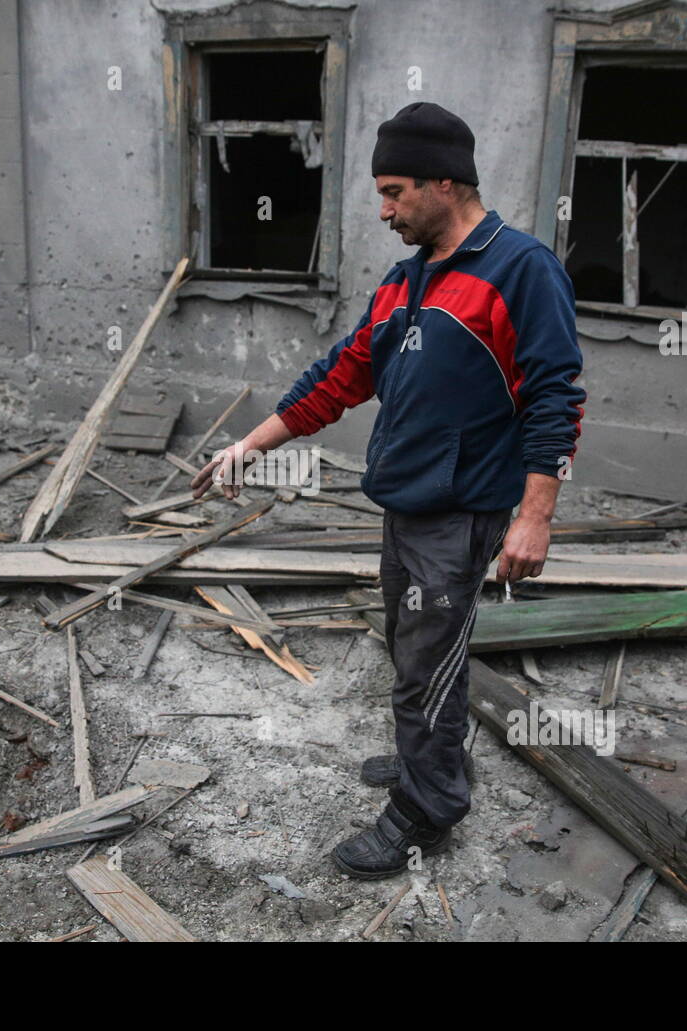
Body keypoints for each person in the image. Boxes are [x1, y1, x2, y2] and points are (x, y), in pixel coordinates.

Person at [191, 102, 586, 879]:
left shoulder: (520, 269)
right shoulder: (406, 282)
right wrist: (249, 445)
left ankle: (425, 811)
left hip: (460, 512)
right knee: (419, 652)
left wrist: (536, 515)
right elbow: (340, 376)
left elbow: (556, 396)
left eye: (395, 192)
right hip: (405, 503)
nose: (384, 211)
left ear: (447, 183)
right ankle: (434, 757)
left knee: (423, 665)